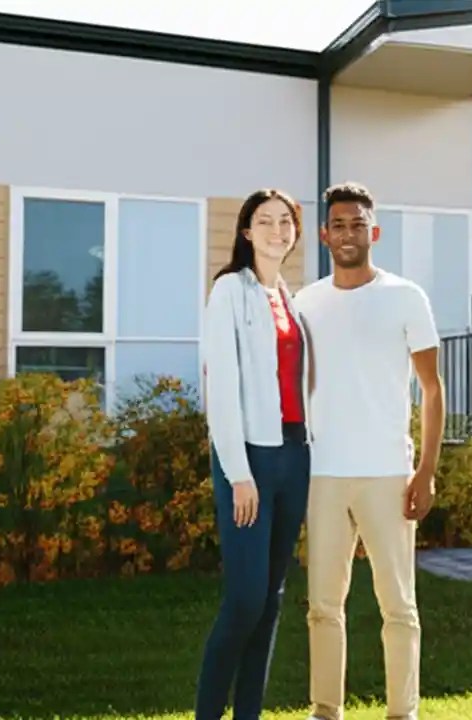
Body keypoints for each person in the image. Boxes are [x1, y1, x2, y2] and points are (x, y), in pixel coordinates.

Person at [293, 181, 445, 720]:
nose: (348, 233)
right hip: (324, 475)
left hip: (387, 473)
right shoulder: (304, 303)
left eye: (358, 224)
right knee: (322, 607)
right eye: (339, 224)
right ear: (324, 234)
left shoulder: (406, 297)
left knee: (398, 606)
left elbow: (432, 390)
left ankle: (402, 712)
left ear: (373, 231)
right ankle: (324, 711)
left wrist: (425, 471)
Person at [195, 188, 312, 720]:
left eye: (284, 221)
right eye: (264, 221)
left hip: (295, 455)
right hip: (249, 461)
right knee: (244, 600)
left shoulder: (291, 298)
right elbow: (221, 389)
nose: (276, 229)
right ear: (246, 232)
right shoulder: (229, 292)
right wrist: (238, 474)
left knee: (270, 601)